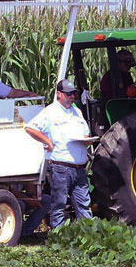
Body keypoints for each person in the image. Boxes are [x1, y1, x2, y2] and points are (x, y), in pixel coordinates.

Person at [23, 79, 94, 234]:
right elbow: (29, 128)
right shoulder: (50, 112)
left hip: (79, 167)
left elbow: (85, 133)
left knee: (83, 205)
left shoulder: (77, 112)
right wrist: (47, 141)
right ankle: (58, 236)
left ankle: (88, 236)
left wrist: (87, 140)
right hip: (61, 167)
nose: (72, 96)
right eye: (68, 94)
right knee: (59, 205)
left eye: (73, 93)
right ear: (59, 94)